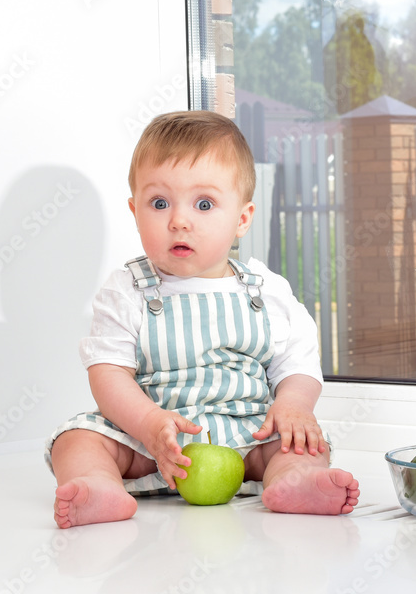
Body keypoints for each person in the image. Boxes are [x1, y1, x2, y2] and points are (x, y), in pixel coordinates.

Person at [46, 110, 360, 527]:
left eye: (204, 204)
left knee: (304, 443)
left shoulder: (265, 289)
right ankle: (98, 486)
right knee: (75, 439)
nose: (179, 220)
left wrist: (293, 406)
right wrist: (149, 424)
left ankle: (295, 480)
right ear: (134, 210)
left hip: (249, 437)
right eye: (159, 203)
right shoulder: (126, 290)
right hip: (151, 440)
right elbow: (108, 374)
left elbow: (298, 363)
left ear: (242, 219)